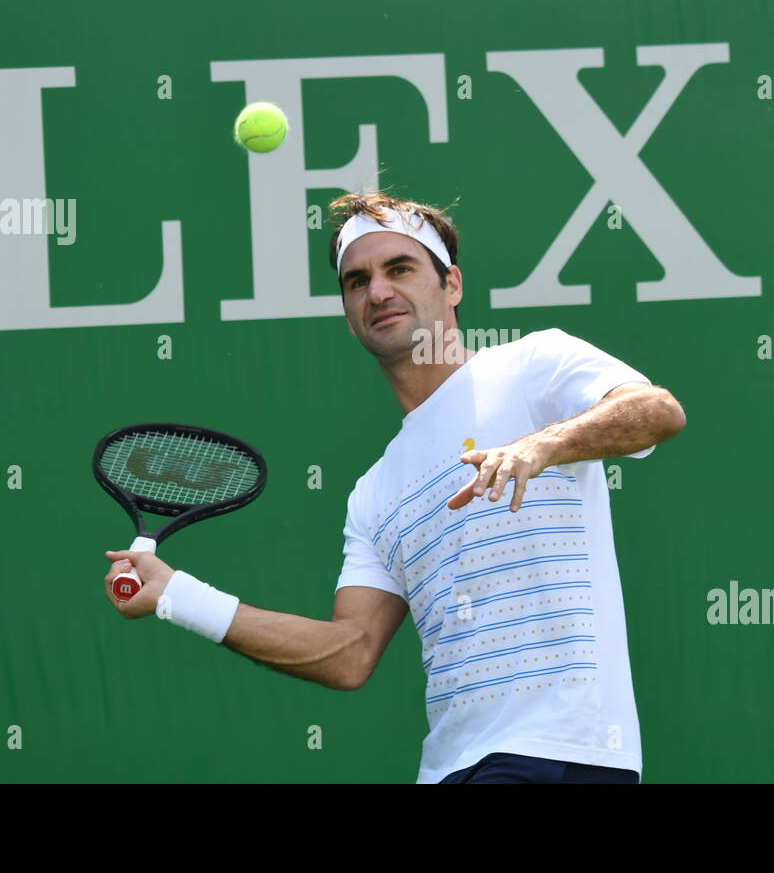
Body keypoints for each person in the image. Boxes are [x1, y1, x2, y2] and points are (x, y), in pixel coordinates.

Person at [104, 191, 686, 784]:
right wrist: (177, 595)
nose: (377, 292)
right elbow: (349, 652)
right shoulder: (373, 494)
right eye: (357, 282)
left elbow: (656, 410)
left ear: (451, 285)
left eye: (399, 269)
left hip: (560, 754)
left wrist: (539, 446)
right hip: (449, 770)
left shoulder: (534, 366)